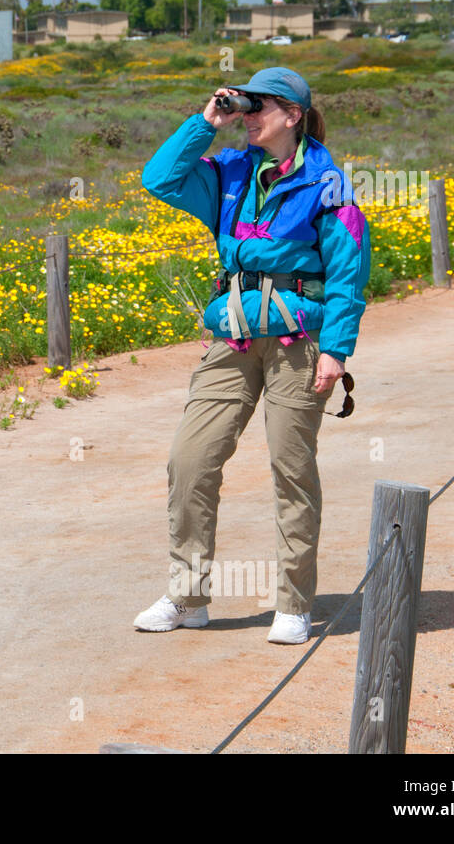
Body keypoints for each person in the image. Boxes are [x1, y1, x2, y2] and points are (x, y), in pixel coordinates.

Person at [133, 66, 370, 645]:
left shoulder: (328, 183)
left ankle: (294, 602)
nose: (248, 115)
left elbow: (348, 271)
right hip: (233, 333)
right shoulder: (230, 171)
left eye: (259, 106)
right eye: (245, 106)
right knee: (189, 460)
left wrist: (336, 350)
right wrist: (205, 121)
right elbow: (159, 179)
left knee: (291, 469)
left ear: (292, 115)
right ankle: (188, 596)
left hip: (299, 340)